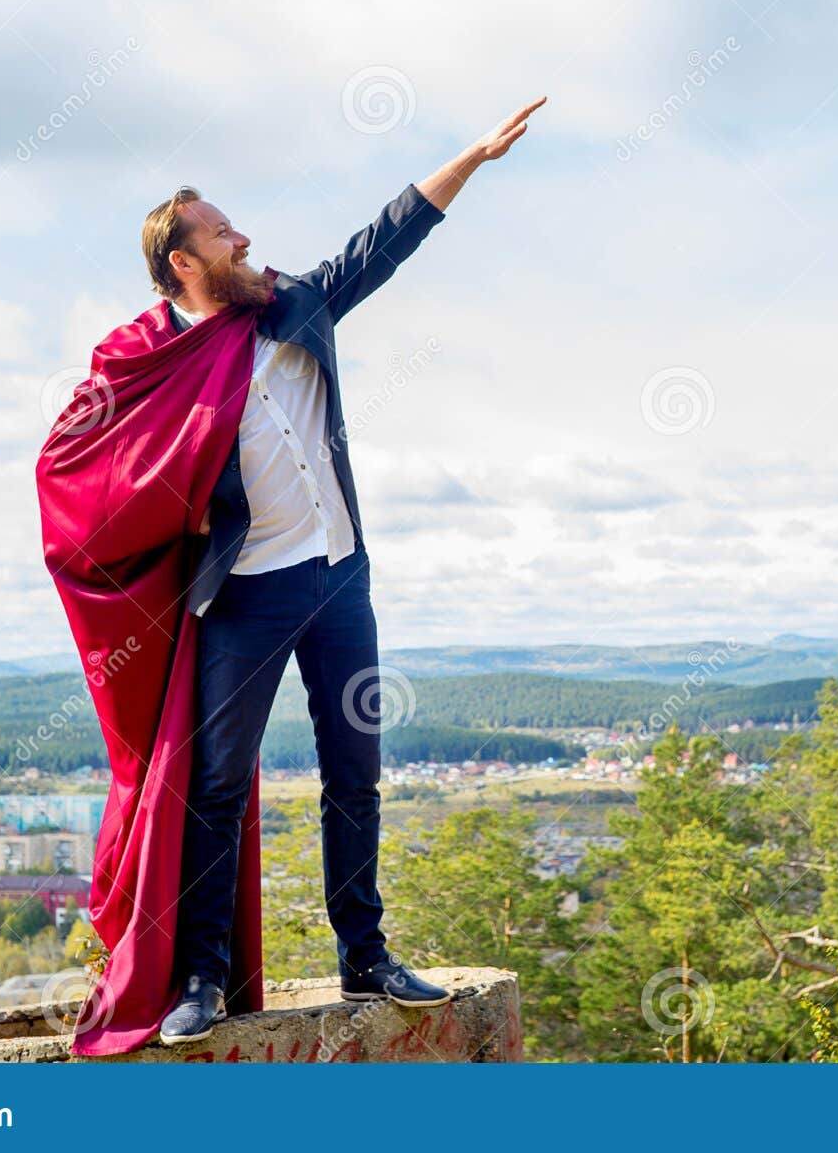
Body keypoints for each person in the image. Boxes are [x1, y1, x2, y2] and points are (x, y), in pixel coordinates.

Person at [140, 97, 547, 1044]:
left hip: (338, 580)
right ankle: (200, 976)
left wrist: (471, 160)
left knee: (354, 770)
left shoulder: (294, 305)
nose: (246, 239)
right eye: (223, 234)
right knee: (219, 782)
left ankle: (363, 950)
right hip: (244, 595)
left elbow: (384, 241)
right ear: (184, 265)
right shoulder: (158, 363)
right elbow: (102, 464)